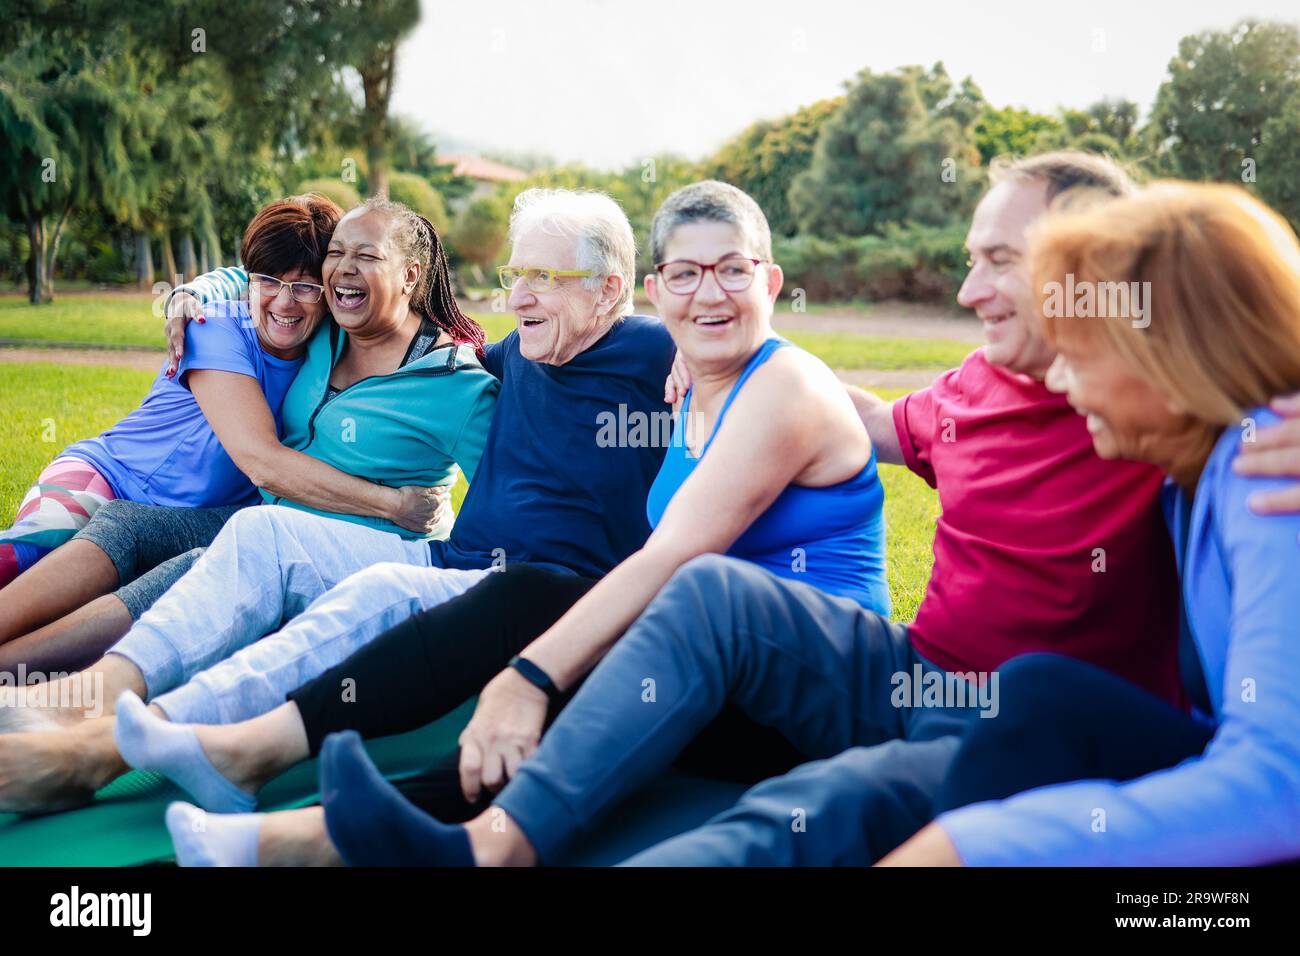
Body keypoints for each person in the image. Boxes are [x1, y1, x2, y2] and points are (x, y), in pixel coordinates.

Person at [189, 152, 1300, 868]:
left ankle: (370, 823)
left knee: (641, 657)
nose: (971, 292)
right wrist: (722, 368)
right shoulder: (972, 389)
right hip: (907, 668)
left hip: (1018, 719)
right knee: (648, 605)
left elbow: (1241, 342)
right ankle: (411, 825)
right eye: (686, 278)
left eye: (1007, 264)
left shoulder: (1238, 453)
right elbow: (867, 416)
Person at [0, 187, 677, 811]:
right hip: (435, 555)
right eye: (516, 276)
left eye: (543, 279)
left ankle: (128, 744)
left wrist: (693, 360)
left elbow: (744, 355)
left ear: (610, 290)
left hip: (523, 587)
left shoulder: (653, 351)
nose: (521, 297)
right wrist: (189, 295)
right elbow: (268, 279)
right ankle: (81, 698)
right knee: (255, 535)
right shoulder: (513, 354)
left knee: (373, 584)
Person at [881, 182, 1300, 867]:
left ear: (1167, 359)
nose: (1065, 385)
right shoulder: (1192, 467)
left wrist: (970, 848)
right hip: (1204, 760)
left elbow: (1281, 790)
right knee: (1041, 694)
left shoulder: (1272, 472)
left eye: (1078, 354)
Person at [0, 194, 481, 673]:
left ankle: (18, 668)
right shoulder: (255, 327)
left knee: (179, 575)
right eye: (337, 254)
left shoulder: (385, 353)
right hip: (119, 477)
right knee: (52, 539)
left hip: (266, 524)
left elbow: (506, 486)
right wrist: (187, 293)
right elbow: (264, 459)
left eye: (307, 287)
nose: (287, 300)